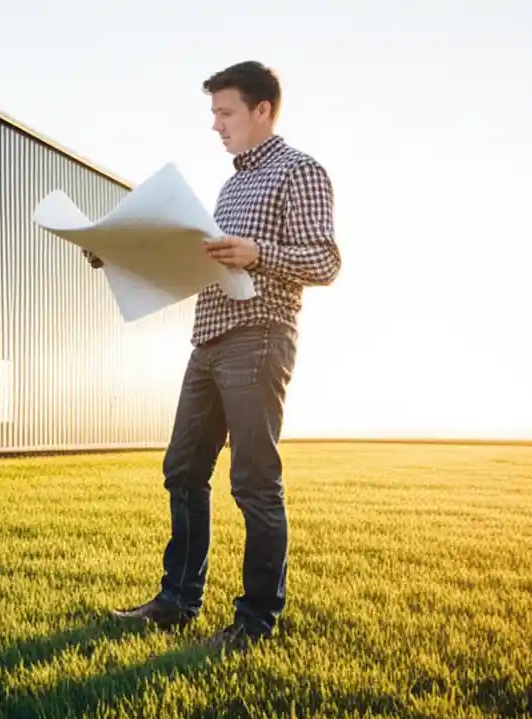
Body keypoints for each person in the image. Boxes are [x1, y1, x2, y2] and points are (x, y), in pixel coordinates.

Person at [87, 60, 341, 648]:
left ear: (262, 111)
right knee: (182, 470)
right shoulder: (229, 186)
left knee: (253, 483)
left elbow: (326, 261)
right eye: (213, 115)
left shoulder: (299, 172)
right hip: (207, 340)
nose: (217, 125)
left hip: (260, 336)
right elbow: (202, 262)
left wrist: (257, 252)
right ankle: (177, 601)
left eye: (225, 113)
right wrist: (123, 254)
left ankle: (254, 622)